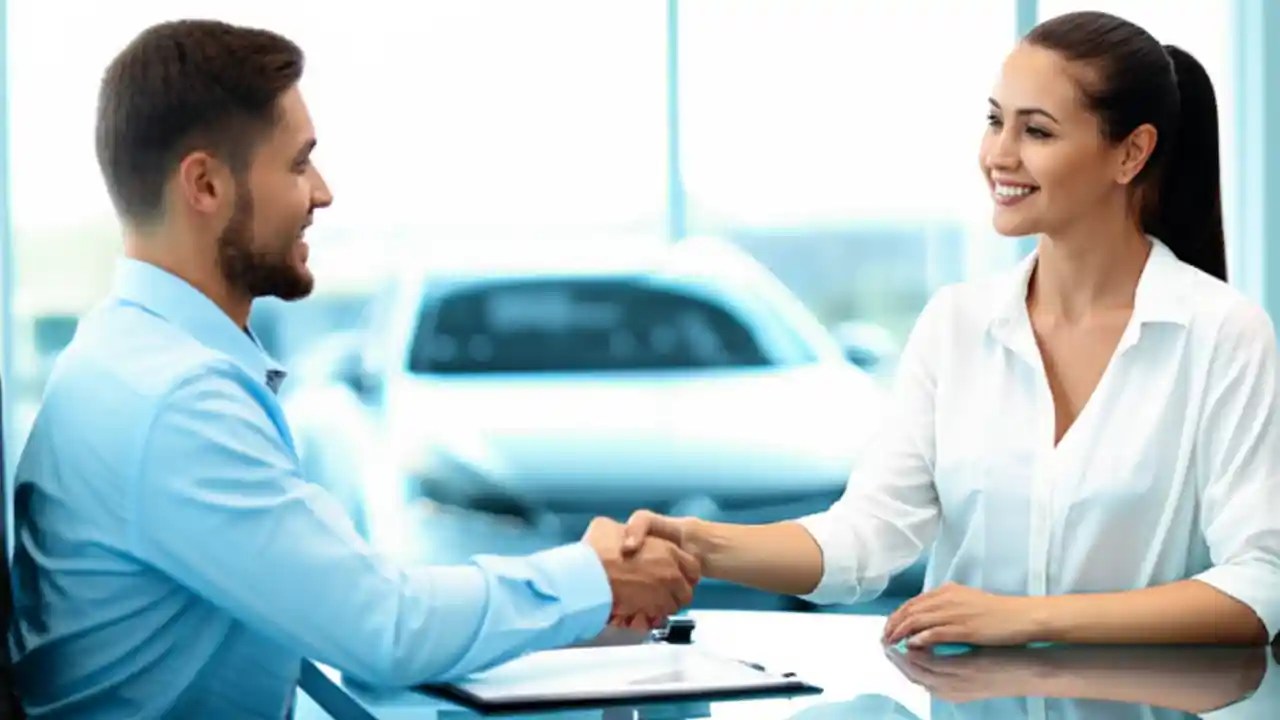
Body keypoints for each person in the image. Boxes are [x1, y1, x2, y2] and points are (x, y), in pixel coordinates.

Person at [6, 19, 698, 719]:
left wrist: (569, 613)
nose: (323, 193)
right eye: (299, 163)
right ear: (206, 185)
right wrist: (593, 577)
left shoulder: (118, 359)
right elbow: (384, 627)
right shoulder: (176, 402)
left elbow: (336, 603)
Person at [620, 10, 1280, 648]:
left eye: (1037, 132)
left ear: (1131, 153)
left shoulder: (1222, 335)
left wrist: (1029, 619)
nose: (999, 154)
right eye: (995, 121)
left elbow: (1261, 585)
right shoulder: (956, 325)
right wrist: (701, 545)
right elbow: (867, 538)